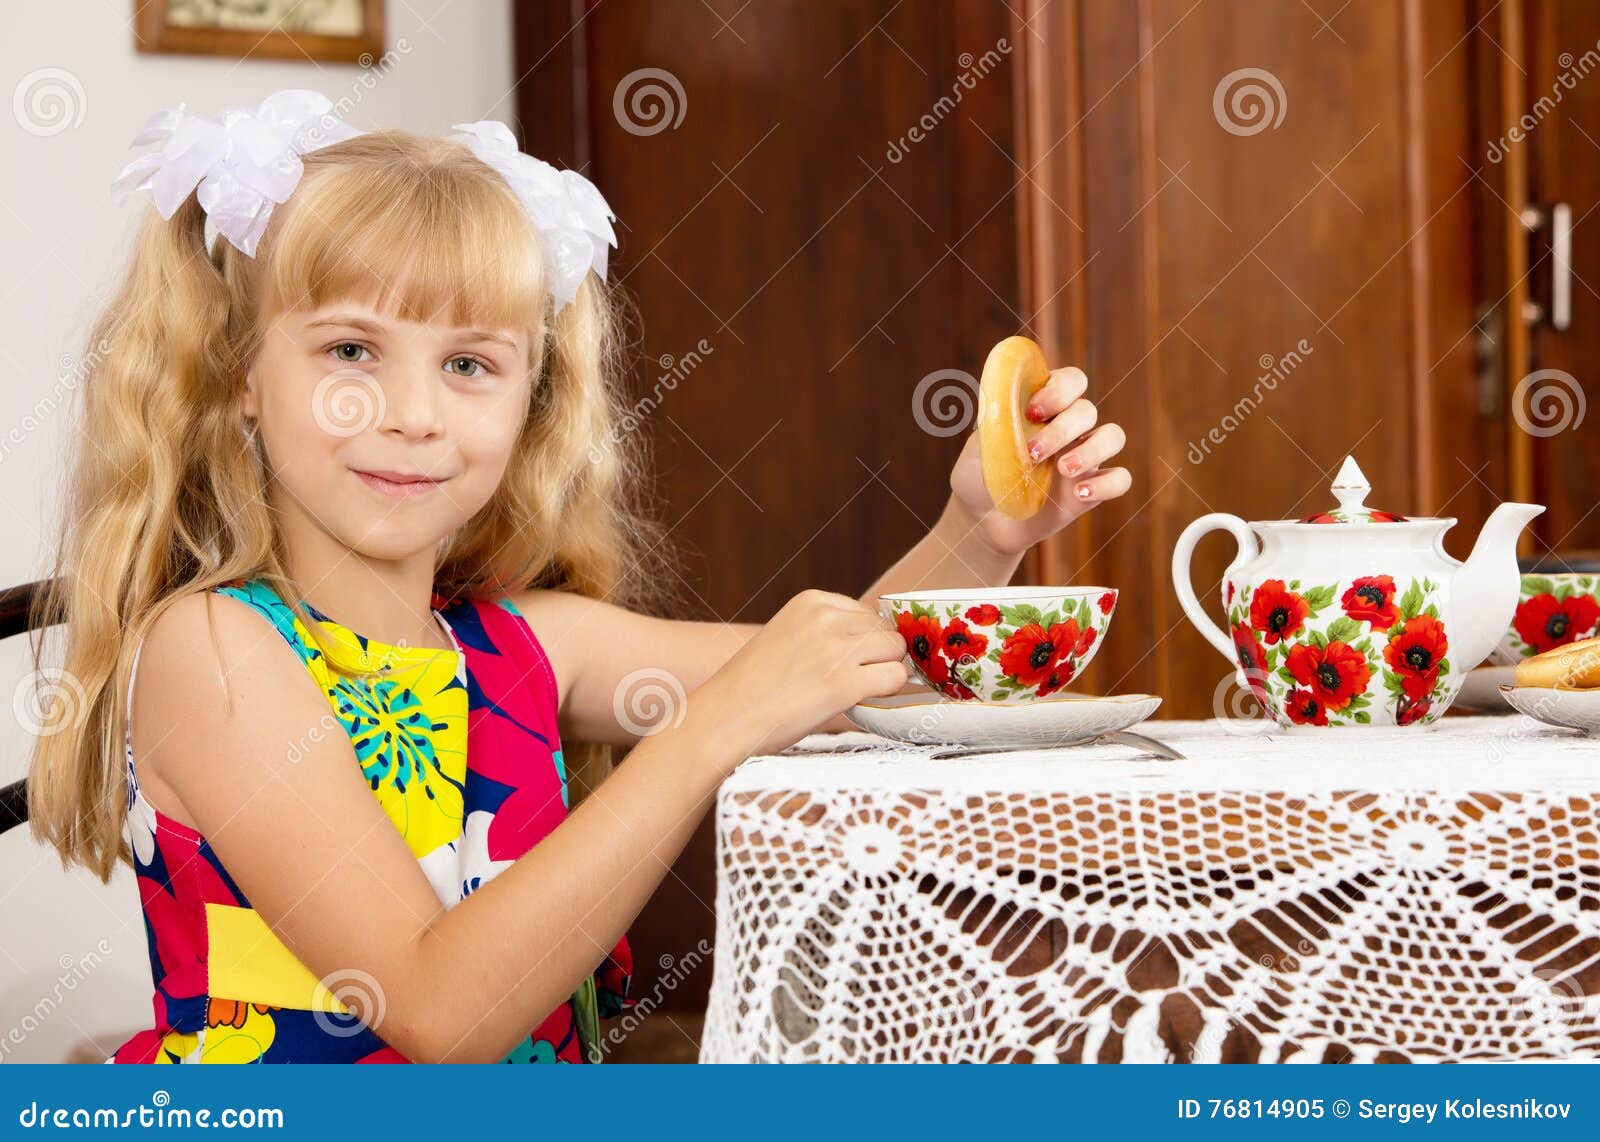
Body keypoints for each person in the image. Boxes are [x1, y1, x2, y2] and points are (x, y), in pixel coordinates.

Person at [26, 91, 1130, 1063]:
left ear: (531, 401)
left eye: (469, 363)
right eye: (350, 350)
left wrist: (977, 531)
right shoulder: (214, 652)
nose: (411, 414)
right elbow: (441, 1014)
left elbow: (854, 670)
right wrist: (712, 730)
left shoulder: (529, 643)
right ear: (241, 378)